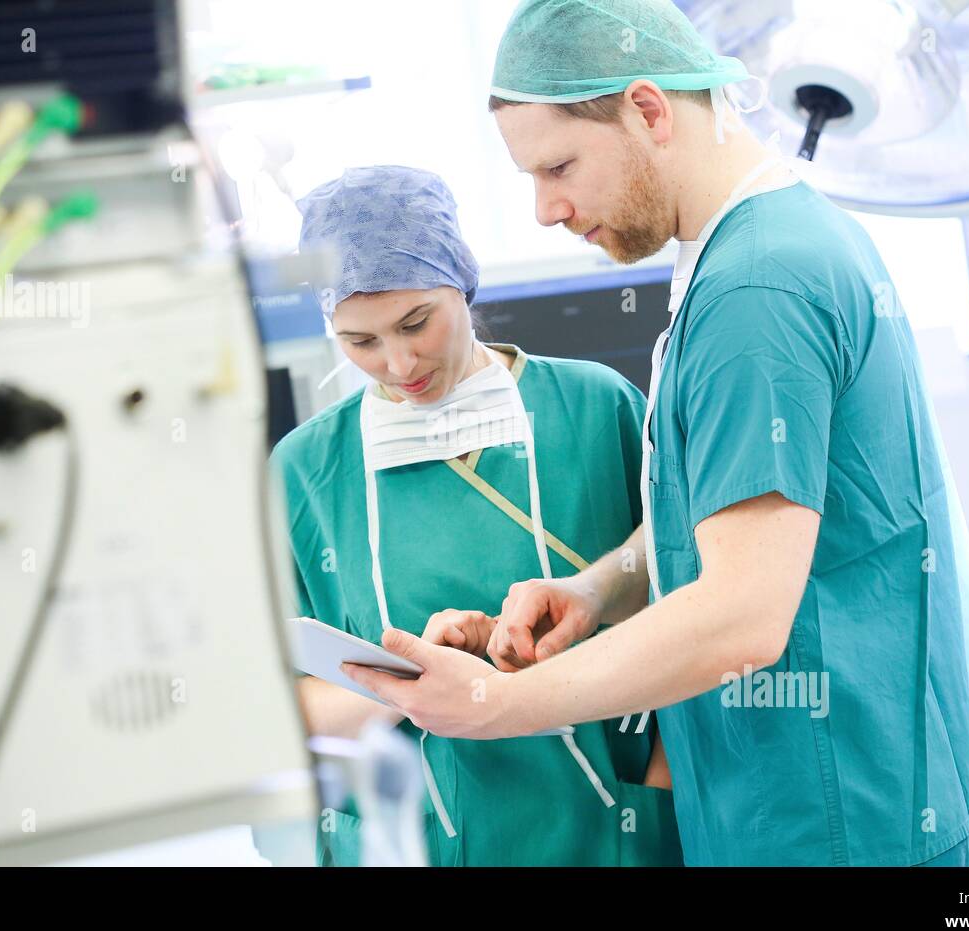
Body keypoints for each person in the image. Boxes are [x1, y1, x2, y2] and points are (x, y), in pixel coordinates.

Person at [344, 0, 969, 867]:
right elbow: (736, 521)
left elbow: (742, 616)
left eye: (559, 166)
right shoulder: (755, 248)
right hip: (863, 787)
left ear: (648, 109)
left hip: (847, 813)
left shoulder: (755, 294)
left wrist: (496, 705)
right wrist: (600, 588)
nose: (546, 209)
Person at [273, 164, 682, 866]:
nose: (399, 364)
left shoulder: (597, 408)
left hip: (606, 829)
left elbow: (690, 595)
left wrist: (661, 778)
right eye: (360, 341)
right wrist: (405, 685)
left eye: (415, 323)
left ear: (462, 281)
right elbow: (287, 714)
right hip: (413, 842)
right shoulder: (306, 472)